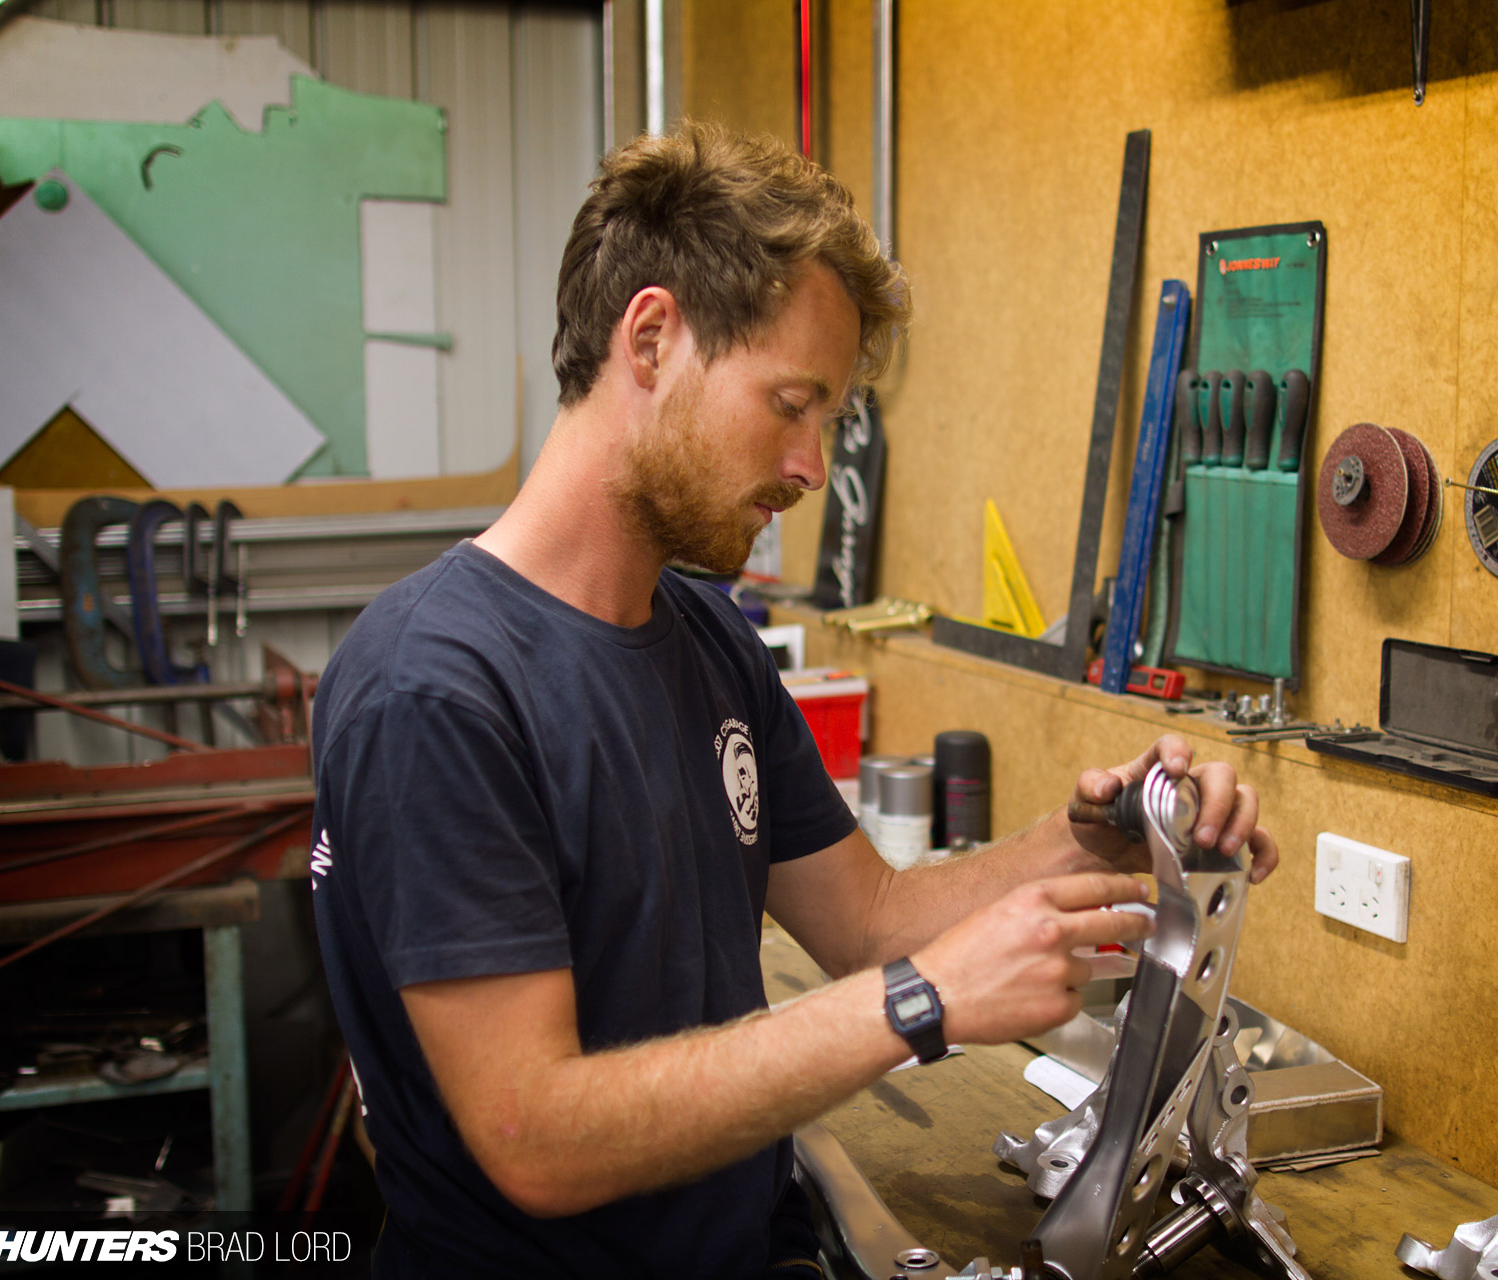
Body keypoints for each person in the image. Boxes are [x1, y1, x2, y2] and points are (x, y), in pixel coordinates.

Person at [308, 121, 1279, 1279]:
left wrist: (1092, 835)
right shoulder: (437, 686)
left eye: (828, 420)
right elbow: (536, 1136)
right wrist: (920, 1002)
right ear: (654, 338)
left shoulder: (711, 641)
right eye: (792, 403)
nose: (814, 465)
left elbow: (866, 920)